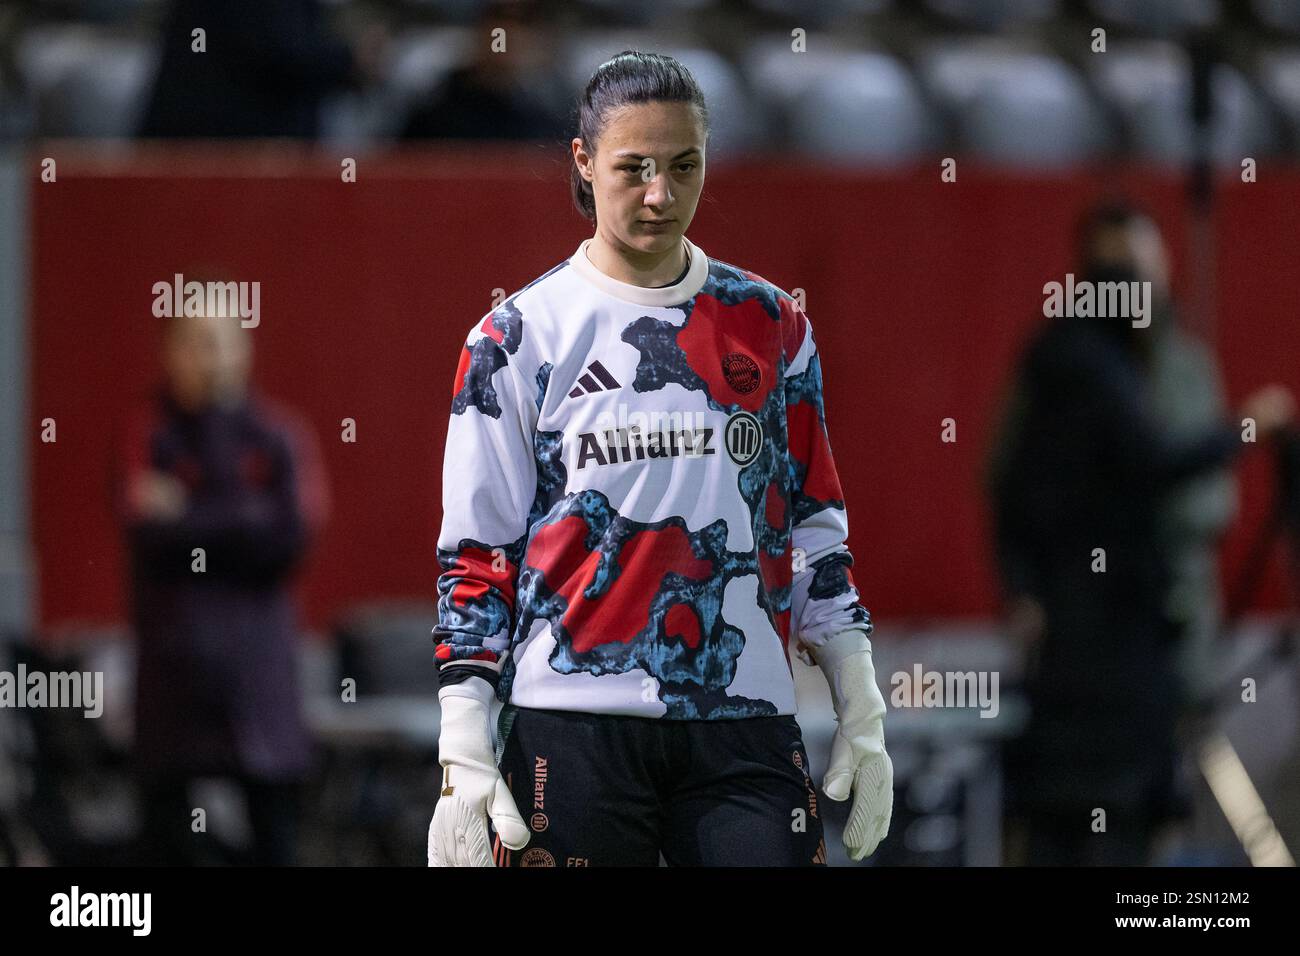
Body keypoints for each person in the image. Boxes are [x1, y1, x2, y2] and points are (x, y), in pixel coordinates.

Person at [427, 51, 891, 867]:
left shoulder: (771, 324)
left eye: (684, 167)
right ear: (583, 161)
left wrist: (861, 701)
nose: (659, 195)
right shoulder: (516, 338)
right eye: (633, 168)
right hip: (571, 727)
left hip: (744, 723)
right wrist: (462, 744)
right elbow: (478, 553)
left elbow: (813, 529)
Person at [986, 201, 1294, 865]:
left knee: (1144, 798)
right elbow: (1025, 480)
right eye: (1112, 269)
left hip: (1160, 618)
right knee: (1099, 802)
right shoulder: (1079, 361)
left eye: (1135, 267)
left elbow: (1205, 505)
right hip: (1104, 632)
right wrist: (1247, 428)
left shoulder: (1172, 363)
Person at [114, 306, 329, 864]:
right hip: (172, 684)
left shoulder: (277, 437)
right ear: (169, 352)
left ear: (244, 350)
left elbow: (289, 535)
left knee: (273, 841)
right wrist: (245, 516)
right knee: (164, 846)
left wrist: (188, 511)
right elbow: (143, 527)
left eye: (220, 342)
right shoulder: (148, 433)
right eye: (193, 343)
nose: (208, 359)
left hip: (259, 683)